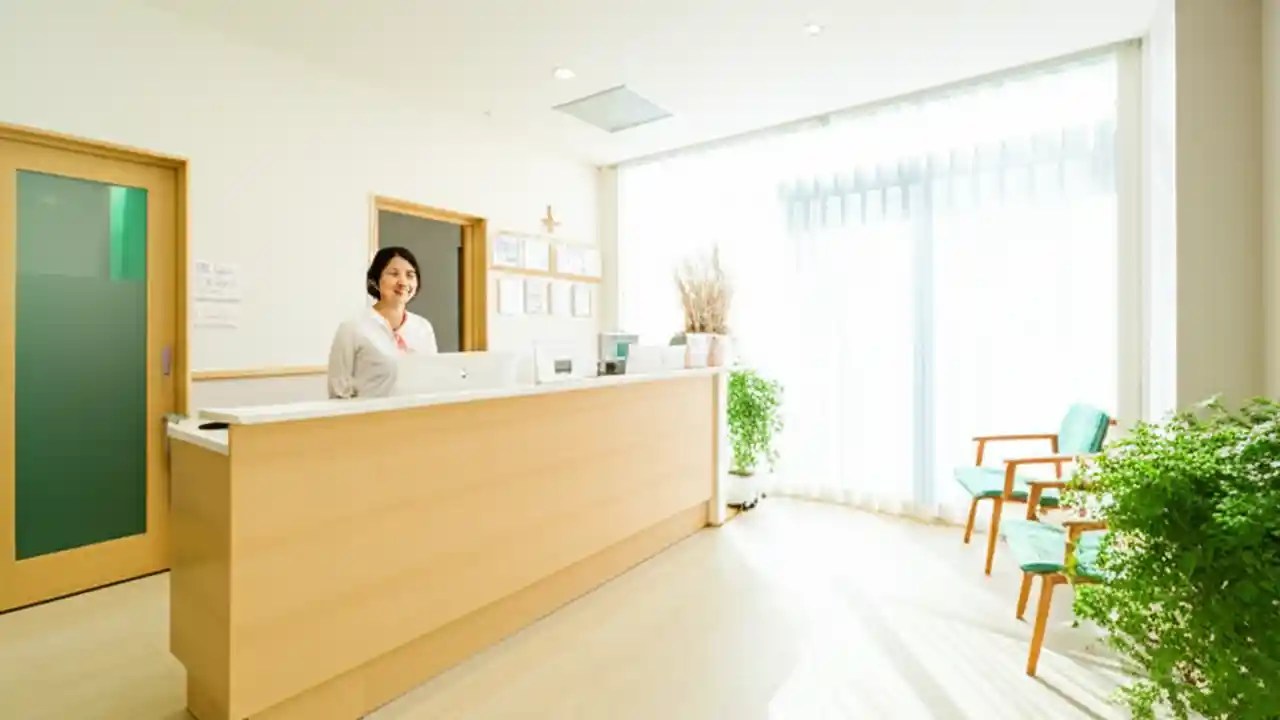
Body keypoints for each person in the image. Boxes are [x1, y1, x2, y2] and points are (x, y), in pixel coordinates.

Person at [327, 246, 438, 398]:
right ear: (375, 280)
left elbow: (432, 379)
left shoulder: (423, 328)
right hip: (370, 412)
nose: (403, 282)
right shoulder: (353, 328)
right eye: (394, 274)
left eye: (410, 275)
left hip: (416, 411)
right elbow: (338, 388)